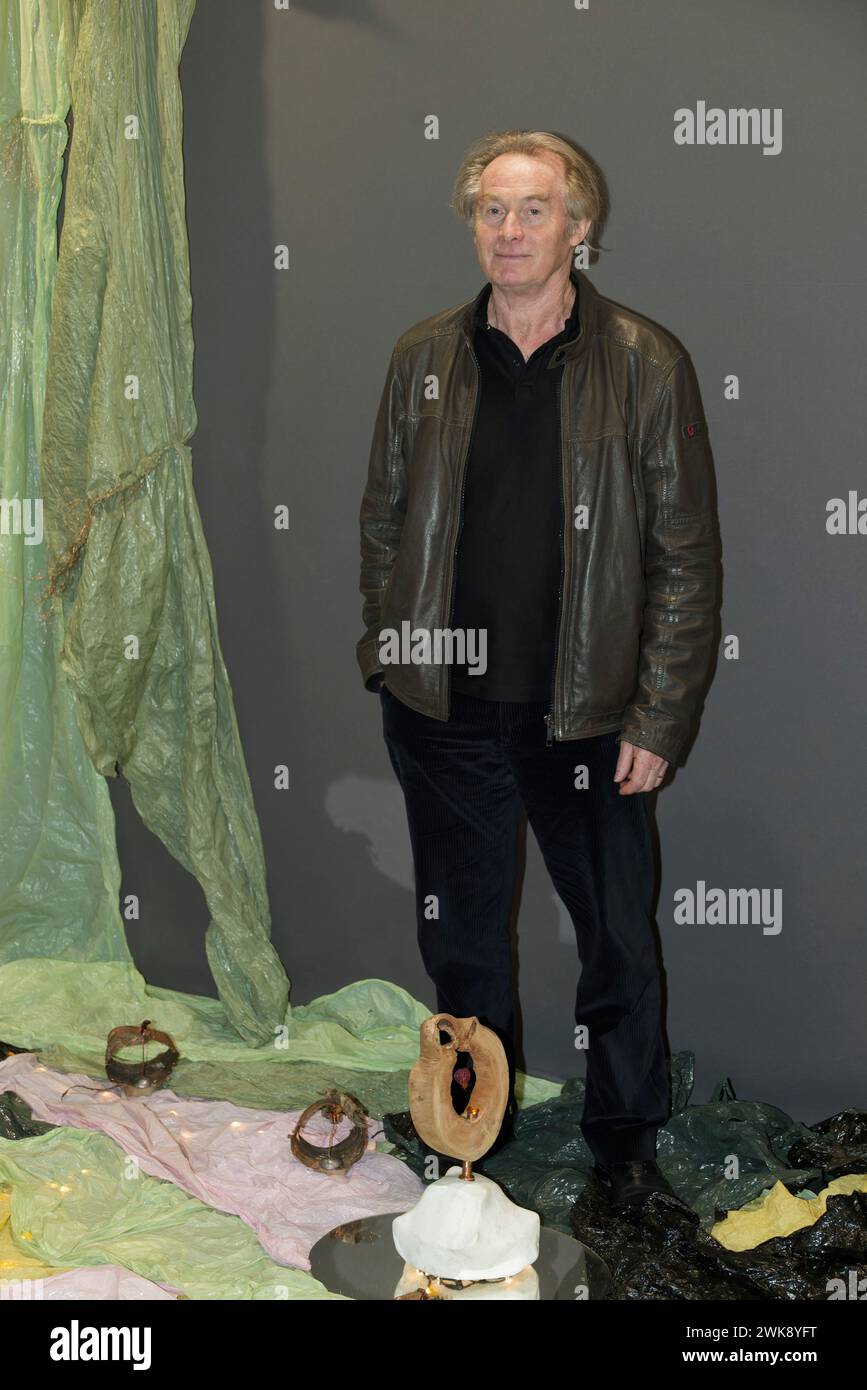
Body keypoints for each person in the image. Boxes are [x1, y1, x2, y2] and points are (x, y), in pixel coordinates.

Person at [356, 130, 720, 1209]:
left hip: (592, 719)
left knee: (616, 944)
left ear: (580, 227)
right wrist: (389, 650)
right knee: (462, 949)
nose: (509, 232)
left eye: (533, 209)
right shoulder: (422, 357)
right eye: (492, 210)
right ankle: (472, 1138)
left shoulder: (647, 363)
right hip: (444, 717)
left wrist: (658, 716)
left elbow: (685, 557)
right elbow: (383, 522)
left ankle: (623, 1150)